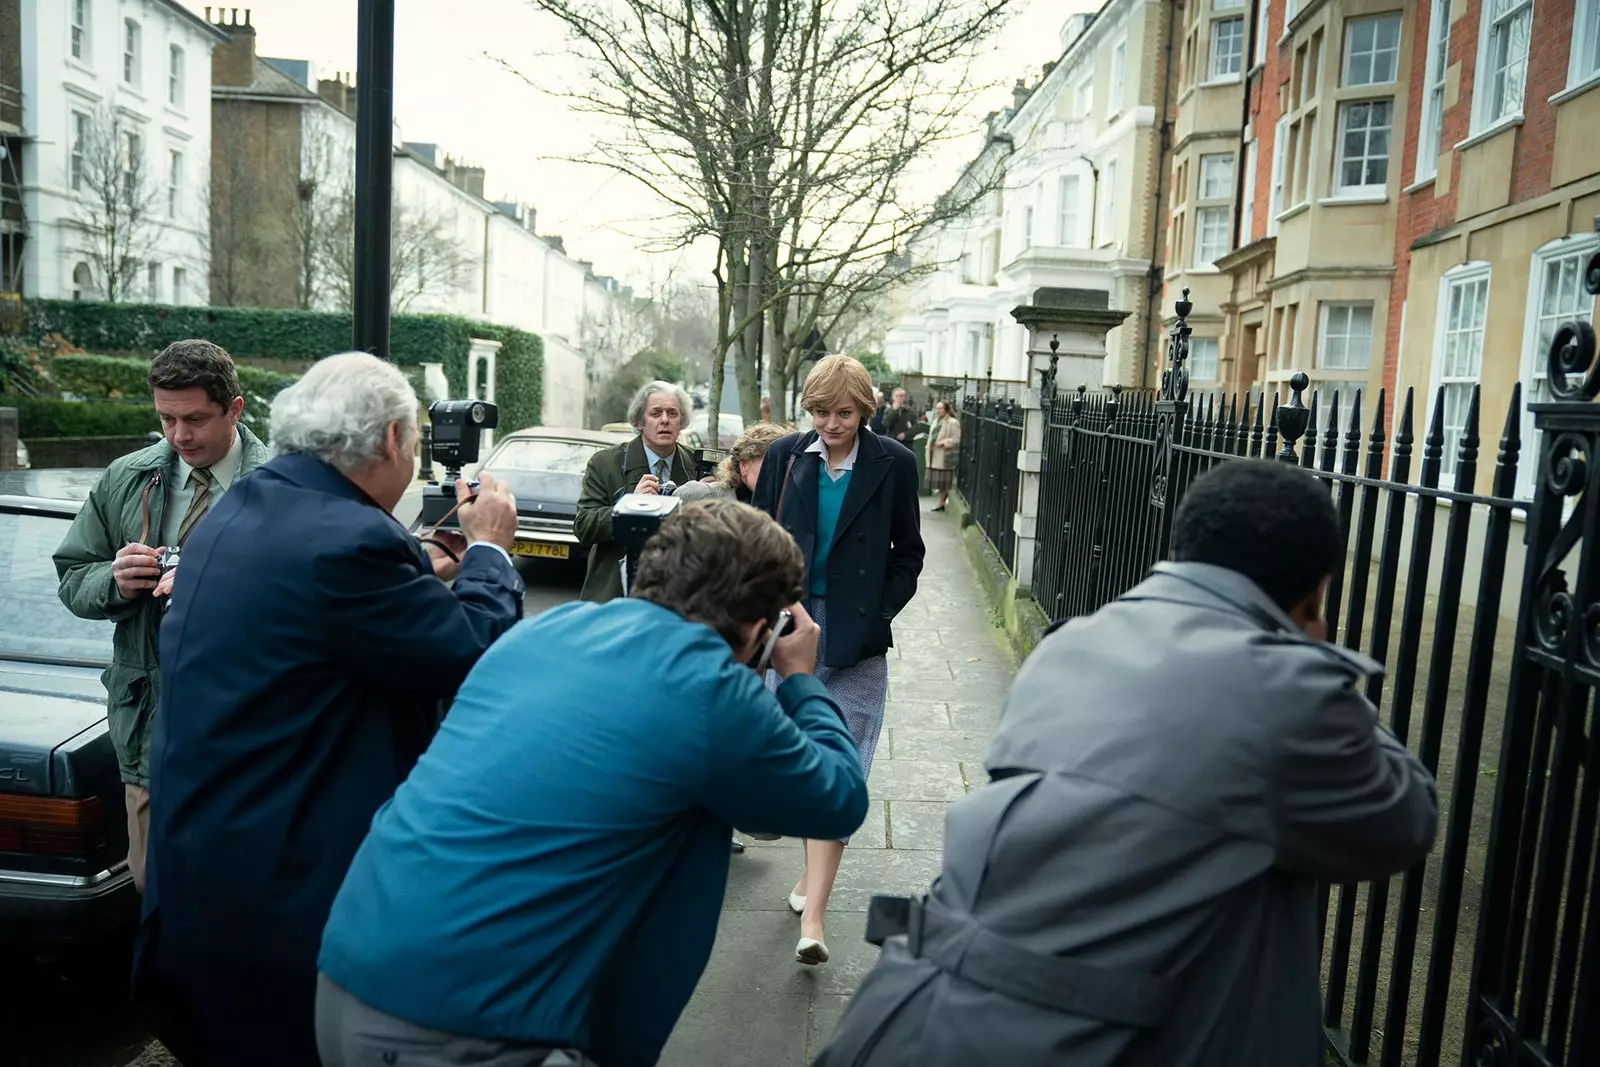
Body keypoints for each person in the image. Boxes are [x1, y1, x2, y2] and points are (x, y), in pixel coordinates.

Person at [815, 461, 1439, 1067]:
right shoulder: (1281, 694)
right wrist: (1311, 661)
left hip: (927, 1011)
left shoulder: (1070, 644)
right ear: (1312, 590)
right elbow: (1405, 817)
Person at [315, 498, 868, 1067]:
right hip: (471, 1026)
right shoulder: (706, 688)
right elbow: (838, 799)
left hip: (348, 977)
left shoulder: (549, 628)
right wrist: (800, 680)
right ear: (763, 628)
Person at [137, 353, 525, 1067]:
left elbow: (322, 615)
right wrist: (490, 553)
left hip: (204, 885)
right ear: (388, 443)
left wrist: (427, 561)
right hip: (287, 914)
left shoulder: (246, 505)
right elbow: (470, 654)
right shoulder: (349, 541)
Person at [53, 339, 271, 894]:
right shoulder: (127, 477)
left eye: (195, 419)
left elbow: (318, 605)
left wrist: (221, 587)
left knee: (243, 898)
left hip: (250, 734)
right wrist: (115, 581)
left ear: (236, 409)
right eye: (166, 419)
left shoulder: (282, 488)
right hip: (149, 728)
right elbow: (74, 576)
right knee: (155, 891)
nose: (179, 436)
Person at [751, 354, 925, 966]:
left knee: (843, 763)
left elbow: (910, 551)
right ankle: (808, 879)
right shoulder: (786, 456)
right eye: (821, 412)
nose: (831, 423)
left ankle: (817, 919)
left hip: (855, 637)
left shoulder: (894, 463)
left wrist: (877, 615)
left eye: (843, 412)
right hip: (790, 626)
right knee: (794, 761)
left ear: (865, 410)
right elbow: (761, 535)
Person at [574, 380, 696, 602]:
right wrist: (629, 505)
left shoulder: (696, 466)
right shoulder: (605, 463)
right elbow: (584, 526)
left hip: (677, 594)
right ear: (640, 421)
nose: (665, 420)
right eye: (656, 413)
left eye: (672, 413)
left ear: (682, 421)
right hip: (617, 593)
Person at [675, 421, 787, 505]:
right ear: (744, 466)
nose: (778, 473)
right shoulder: (702, 496)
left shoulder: (786, 505)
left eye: (783, 466)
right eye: (769, 466)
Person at [925, 400, 961, 512]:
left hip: (944, 455)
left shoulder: (952, 422)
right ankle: (941, 502)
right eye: (937, 408)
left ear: (946, 409)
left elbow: (956, 439)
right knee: (938, 482)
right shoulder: (936, 421)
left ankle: (941, 503)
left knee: (944, 482)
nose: (938, 411)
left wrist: (943, 443)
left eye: (940, 408)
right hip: (933, 454)